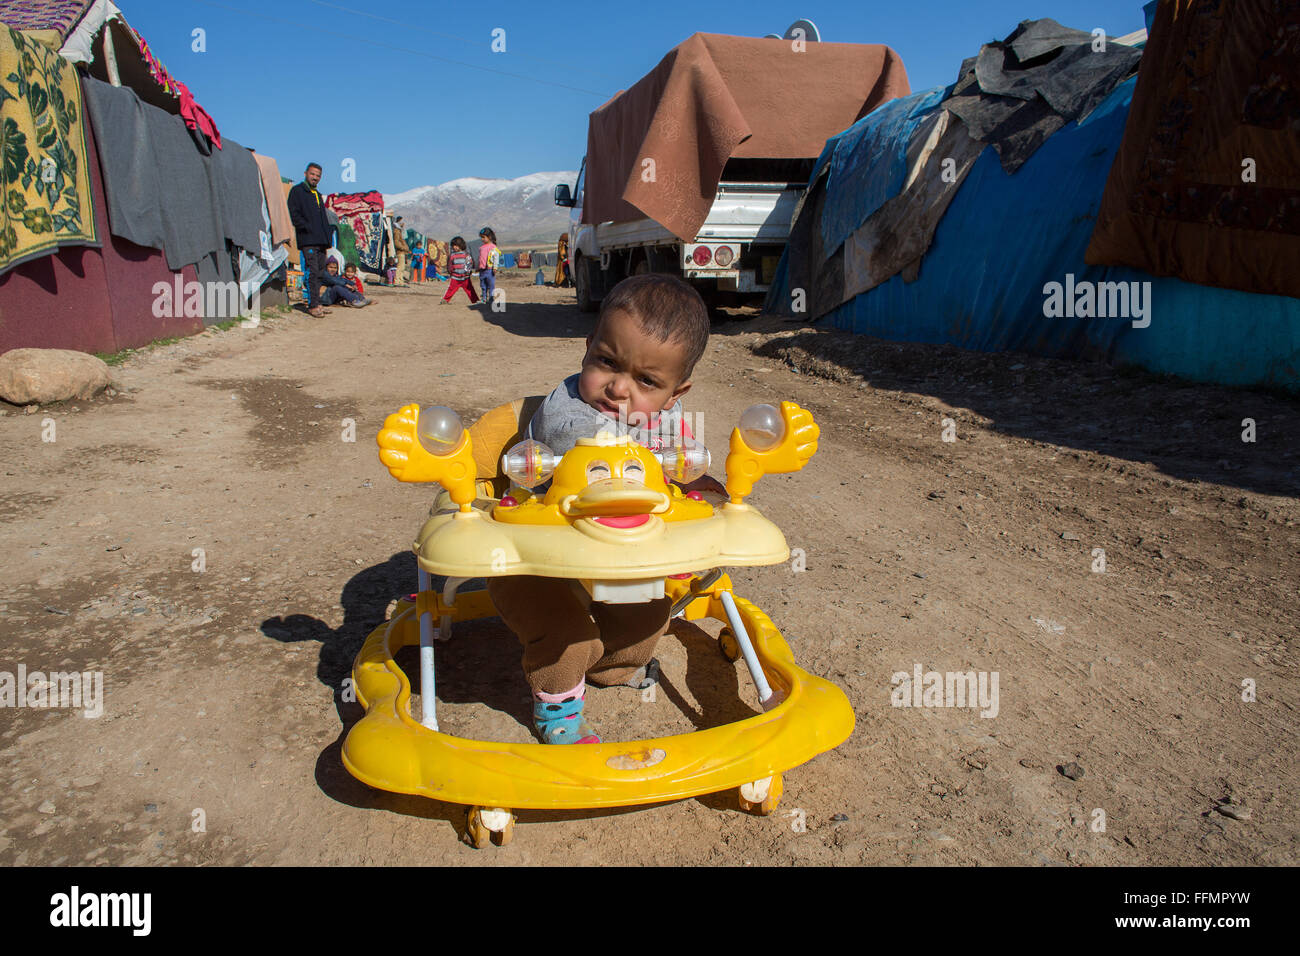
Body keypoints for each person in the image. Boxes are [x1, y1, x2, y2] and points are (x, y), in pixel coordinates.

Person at [487, 274, 724, 745]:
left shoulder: (668, 418)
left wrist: (702, 486)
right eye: (607, 362)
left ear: (676, 393)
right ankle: (558, 712)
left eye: (647, 381)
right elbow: (592, 453)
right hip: (539, 557)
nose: (618, 389)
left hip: (621, 555)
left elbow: (685, 464)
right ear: (587, 347)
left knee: (648, 616)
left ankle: (613, 670)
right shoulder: (567, 409)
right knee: (566, 637)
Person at [286, 163, 333, 317]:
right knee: (312, 271)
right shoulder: (297, 191)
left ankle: (317, 302)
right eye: (312, 174)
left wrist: (327, 237)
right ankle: (313, 305)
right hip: (308, 239)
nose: (315, 177)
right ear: (306, 173)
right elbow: (294, 214)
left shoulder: (317, 194)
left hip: (321, 241)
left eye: (318, 175)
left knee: (320, 272)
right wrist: (306, 228)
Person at [441, 236, 478, 304]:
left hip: (465, 277)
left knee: (470, 289)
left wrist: (469, 272)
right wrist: (450, 272)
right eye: (453, 245)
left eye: (456, 245)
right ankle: (445, 300)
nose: (454, 247)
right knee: (451, 289)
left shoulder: (466, 255)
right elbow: (450, 265)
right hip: (455, 277)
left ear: (461, 245)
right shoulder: (452, 255)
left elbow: (469, 263)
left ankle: (475, 301)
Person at [477, 227, 500, 304]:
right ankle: (484, 298)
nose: (482, 239)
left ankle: (491, 298)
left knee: (491, 285)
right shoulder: (481, 248)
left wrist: (495, 267)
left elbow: (496, 257)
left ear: (489, 237)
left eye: (483, 237)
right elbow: (480, 259)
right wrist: (478, 267)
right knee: (483, 285)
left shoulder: (493, 247)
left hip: (490, 270)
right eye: (481, 237)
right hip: (482, 270)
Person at [393, 217, 411, 285]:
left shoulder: (399, 231)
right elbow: (396, 242)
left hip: (402, 251)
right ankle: (397, 280)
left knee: (402, 267)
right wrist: (403, 248)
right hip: (400, 251)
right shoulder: (397, 231)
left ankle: (400, 280)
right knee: (400, 267)